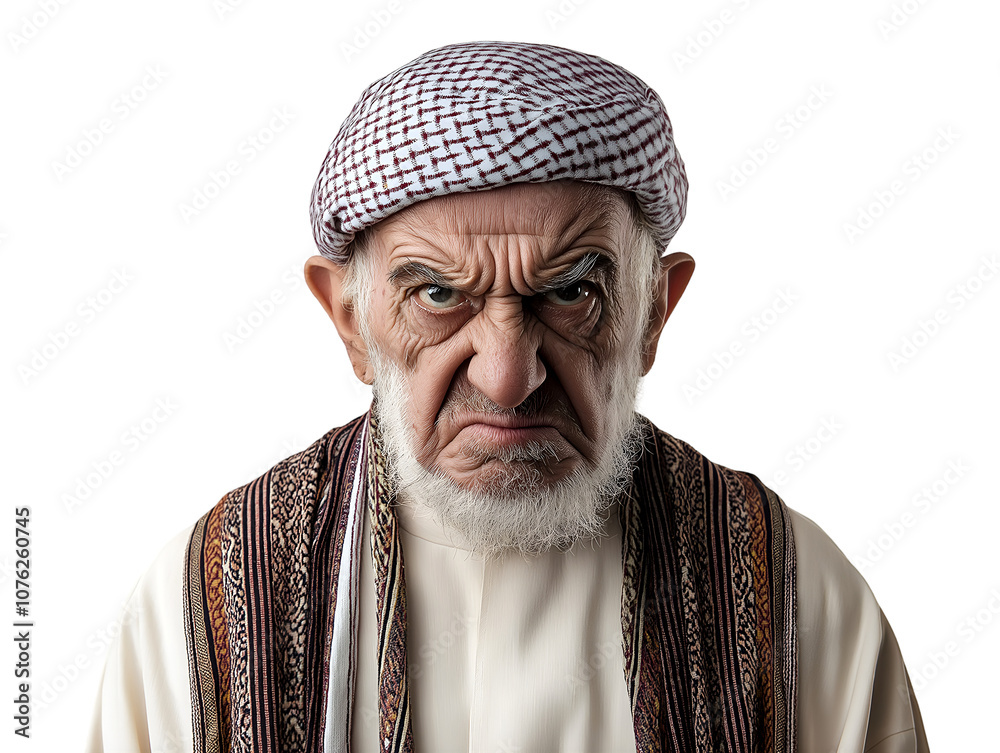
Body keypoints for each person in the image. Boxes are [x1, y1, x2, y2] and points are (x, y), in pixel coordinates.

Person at [86, 41, 929, 753]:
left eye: (569, 293)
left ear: (653, 312)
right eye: (439, 296)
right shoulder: (204, 610)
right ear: (348, 318)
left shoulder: (794, 599)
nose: (506, 376)